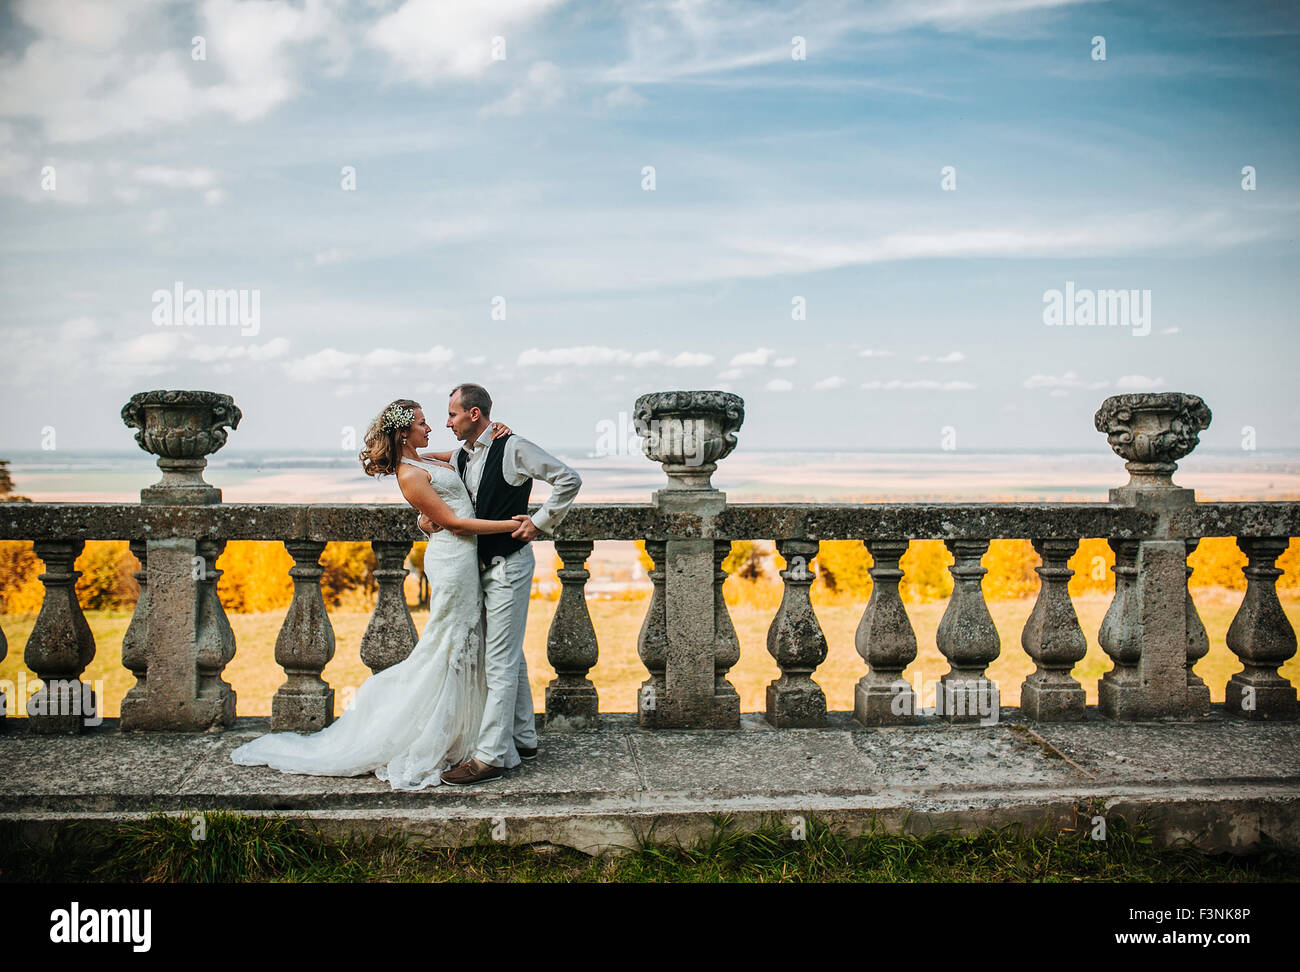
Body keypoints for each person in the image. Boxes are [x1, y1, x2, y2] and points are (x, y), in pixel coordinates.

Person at [228, 399, 524, 791]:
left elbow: (465, 452)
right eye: (421, 423)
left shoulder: (427, 459)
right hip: (453, 562)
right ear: (404, 432)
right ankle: (432, 734)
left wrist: (496, 432)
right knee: (449, 643)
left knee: (469, 643)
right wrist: (510, 524)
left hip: (466, 561)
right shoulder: (409, 474)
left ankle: (470, 735)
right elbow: (452, 521)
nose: (430, 428)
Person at [427, 383, 581, 785]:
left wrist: (540, 522)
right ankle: (525, 737)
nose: (447, 422)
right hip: (479, 566)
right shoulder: (463, 453)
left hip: (509, 565)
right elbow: (433, 463)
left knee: (499, 659)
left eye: (453, 414)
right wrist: (401, 452)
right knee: (507, 651)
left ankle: (492, 756)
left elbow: (568, 478)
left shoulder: (513, 447)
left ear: (474, 414)